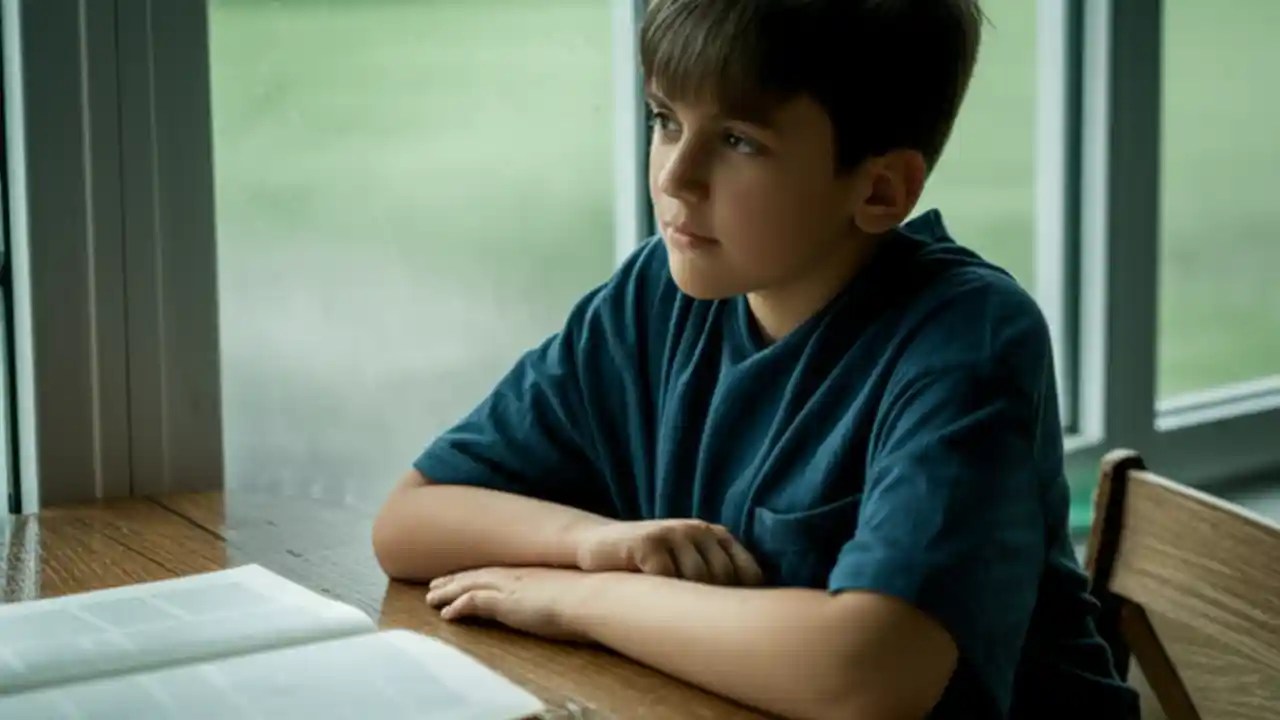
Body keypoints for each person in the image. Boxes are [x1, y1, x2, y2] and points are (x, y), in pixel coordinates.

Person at [373, 1, 1139, 717]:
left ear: (880, 189)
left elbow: (870, 673)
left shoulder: (967, 337)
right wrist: (589, 541)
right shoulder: (657, 295)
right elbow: (410, 523)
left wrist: (579, 597)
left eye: (738, 141)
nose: (675, 177)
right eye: (665, 120)